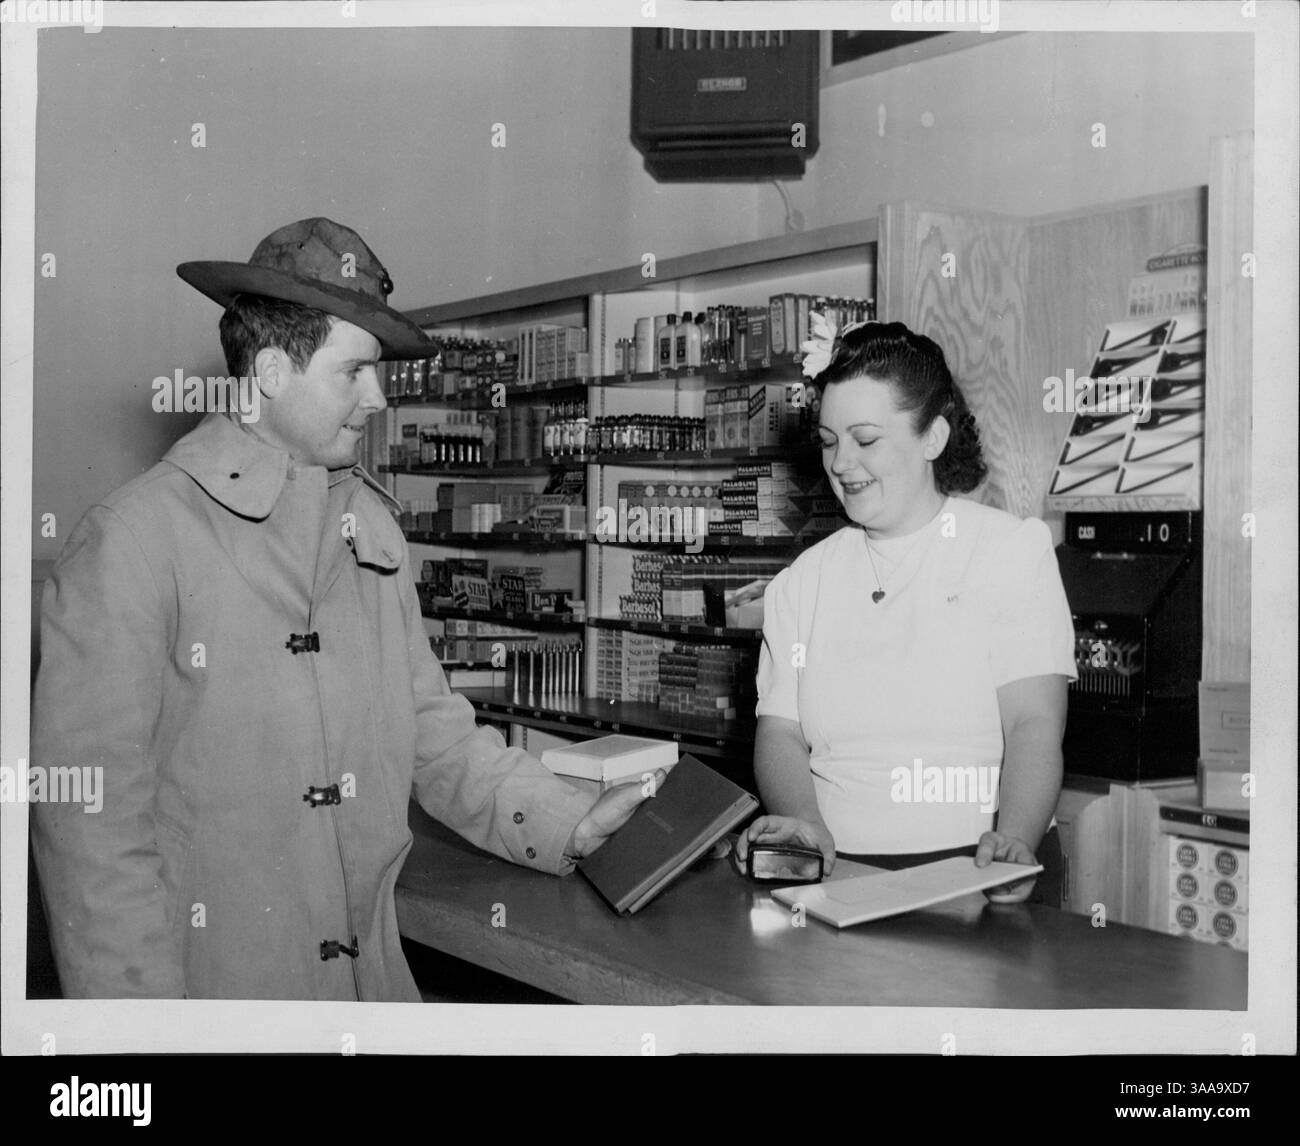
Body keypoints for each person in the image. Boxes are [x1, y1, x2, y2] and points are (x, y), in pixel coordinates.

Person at [30, 217, 657, 1000]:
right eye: (354, 371)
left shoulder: (373, 530)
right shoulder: (133, 541)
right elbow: (92, 839)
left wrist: (569, 820)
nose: (377, 397)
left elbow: (434, 733)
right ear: (267, 372)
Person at [734, 319, 1077, 904]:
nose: (842, 463)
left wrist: (1013, 841)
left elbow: (1034, 724)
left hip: (977, 875)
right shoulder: (804, 581)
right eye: (828, 440)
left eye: (865, 440)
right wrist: (803, 826)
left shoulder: (1008, 551)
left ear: (933, 438)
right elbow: (781, 732)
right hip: (838, 876)